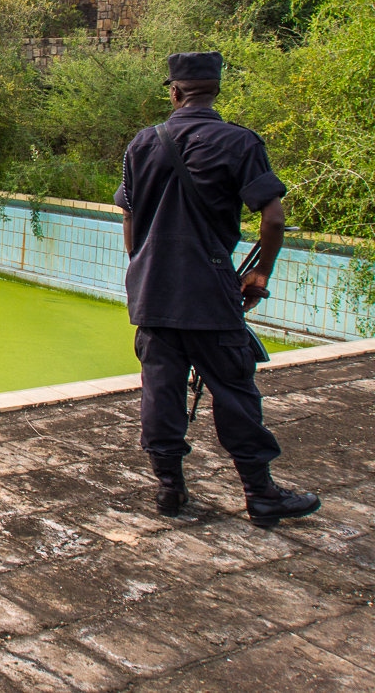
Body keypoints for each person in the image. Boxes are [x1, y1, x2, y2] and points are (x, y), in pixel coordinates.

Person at [114, 50, 320, 527]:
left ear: (175, 91)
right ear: (216, 90)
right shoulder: (239, 142)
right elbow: (273, 217)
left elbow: (127, 215)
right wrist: (260, 273)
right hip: (207, 290)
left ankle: (169, 488)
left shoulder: (142, 143)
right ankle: (261, 493)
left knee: (160, 389)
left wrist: (142, 264)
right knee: (233, 389)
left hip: (152, 292)